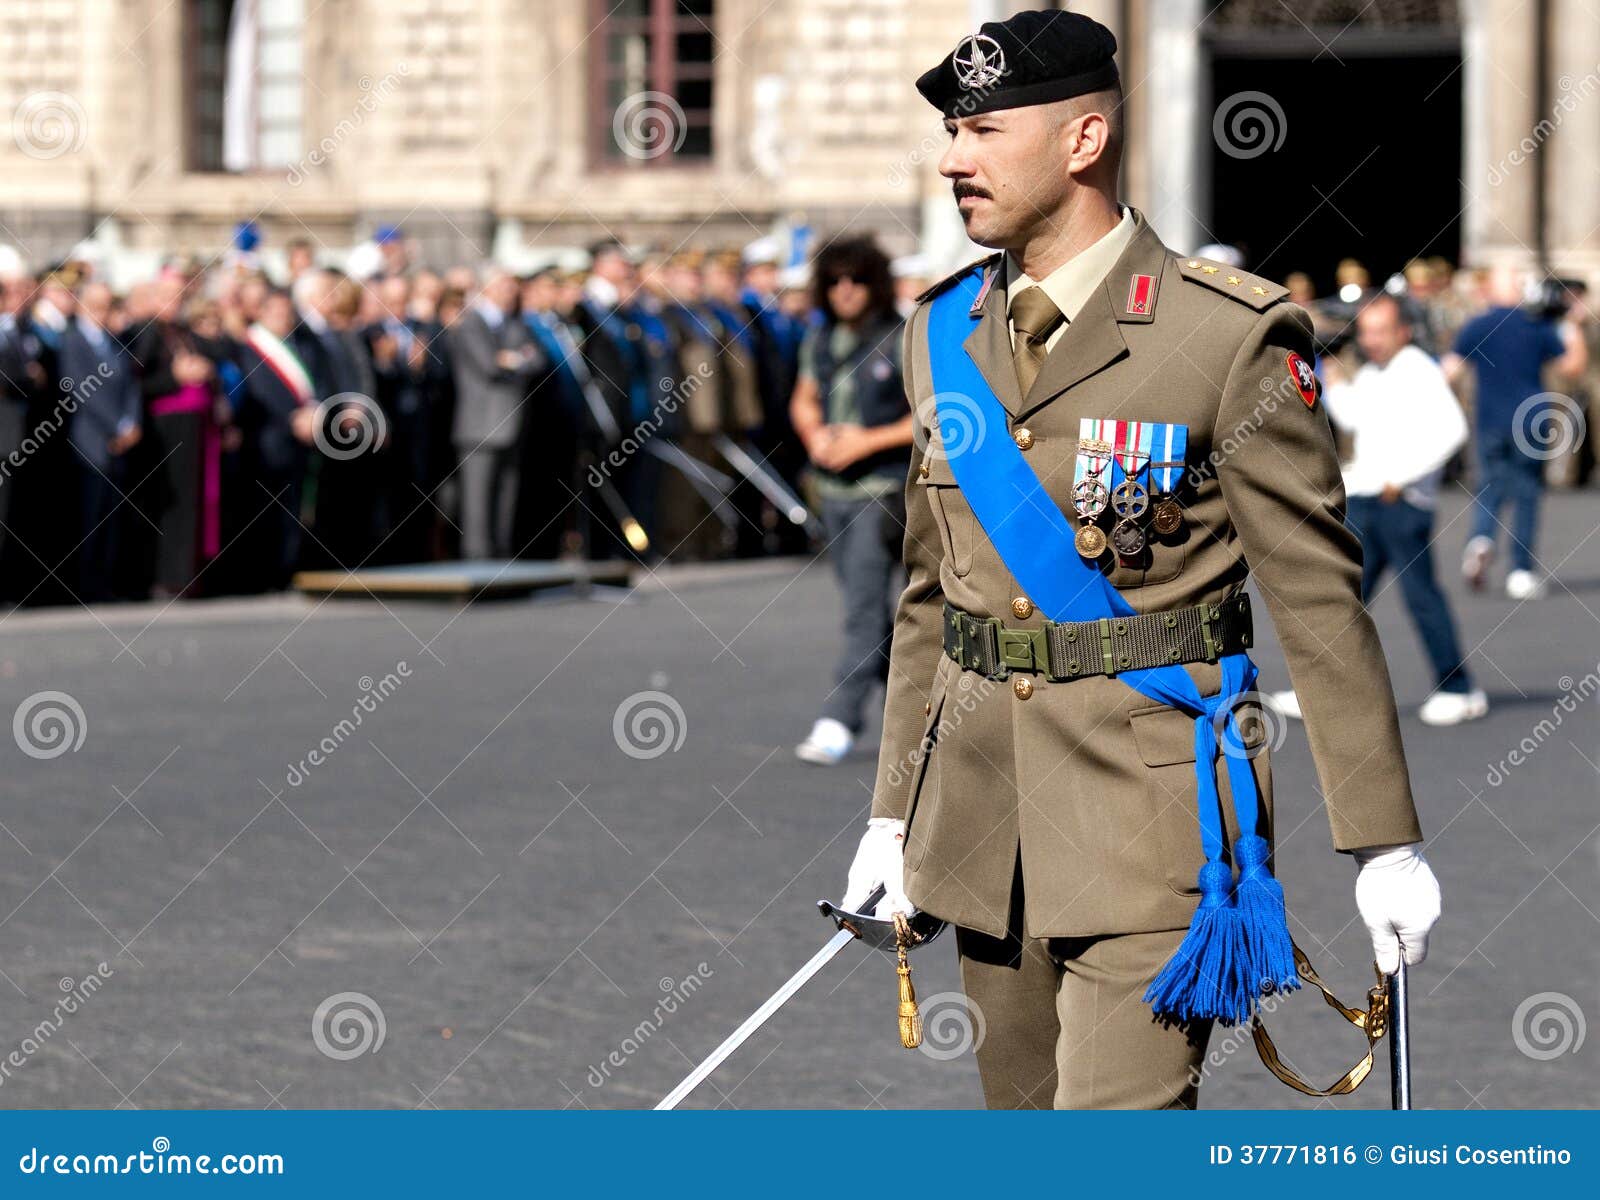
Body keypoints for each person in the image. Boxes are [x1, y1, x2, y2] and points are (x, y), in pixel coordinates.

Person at [836, 9, 1440, 1110]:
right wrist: (890, 814)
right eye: (950, 131)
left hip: (1159, 823)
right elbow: (931, 600)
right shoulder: (940, 335)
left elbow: (1316, 604)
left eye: (982, 130)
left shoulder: (1225, 334)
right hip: (981, 824)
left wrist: (1380, 843)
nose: (950, 158)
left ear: (1082, 141)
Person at [1267, 294, 1485, 726]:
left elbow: (1453, 430)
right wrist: (1326, 372)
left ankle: (1459, 688)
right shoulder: (1374, 371)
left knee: (1421, 598)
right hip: (1366, 499)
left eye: (1380, 331)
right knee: (1343, 598)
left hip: (1401, 504)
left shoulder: (1418, 369)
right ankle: (1320, 691)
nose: (1370, 340)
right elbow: (1351, 417)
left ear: (1403, 330)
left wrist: (1401, 478)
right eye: (1366, 331)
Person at [791, 237, 914, 766]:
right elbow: (804, 398)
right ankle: (917, 715)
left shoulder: (902, 337)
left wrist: (867, 441)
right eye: (836, 280)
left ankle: (840, 719)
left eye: (857, 279)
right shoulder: (819, 338)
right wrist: (815, 435)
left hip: (879, 491)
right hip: (831, 491)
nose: (845, 290)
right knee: (868, 611)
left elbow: (932, 413)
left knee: (864, 609)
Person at [1445, 265, 1588, 599]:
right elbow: (1571, 366)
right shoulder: (1535, 326)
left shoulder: (1477, 325)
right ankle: (1520, 571)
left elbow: (1449, 370)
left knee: (1490, 486)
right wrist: (1573, 325)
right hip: (1530, 422)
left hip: (1489, 420)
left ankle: (1481, 538)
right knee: (1526, 494)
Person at [449, 268, 546, 559]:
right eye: (503, 285)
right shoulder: (471, 324)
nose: (510, 291)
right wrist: (516, 358)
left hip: (512, 421)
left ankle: (502, 555)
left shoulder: (516, 323)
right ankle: (477, 557)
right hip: (479, 424)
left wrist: (510, 359)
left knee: (507, 495)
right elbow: (489, 365)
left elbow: (537, 360)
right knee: (477, 499)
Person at [60, 282, 142, 603]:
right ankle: (86, 584)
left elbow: (130, 385)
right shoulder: (73, 342)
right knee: (90, 514)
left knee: (111, 512)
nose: (101, 310)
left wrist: (132, 423)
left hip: (120, 438)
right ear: (80, 305)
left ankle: (106, 582)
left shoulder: (114, 341)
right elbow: (81, 390)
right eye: (94, 303)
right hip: (91, 438)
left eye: (106, 304)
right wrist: (116, 425)